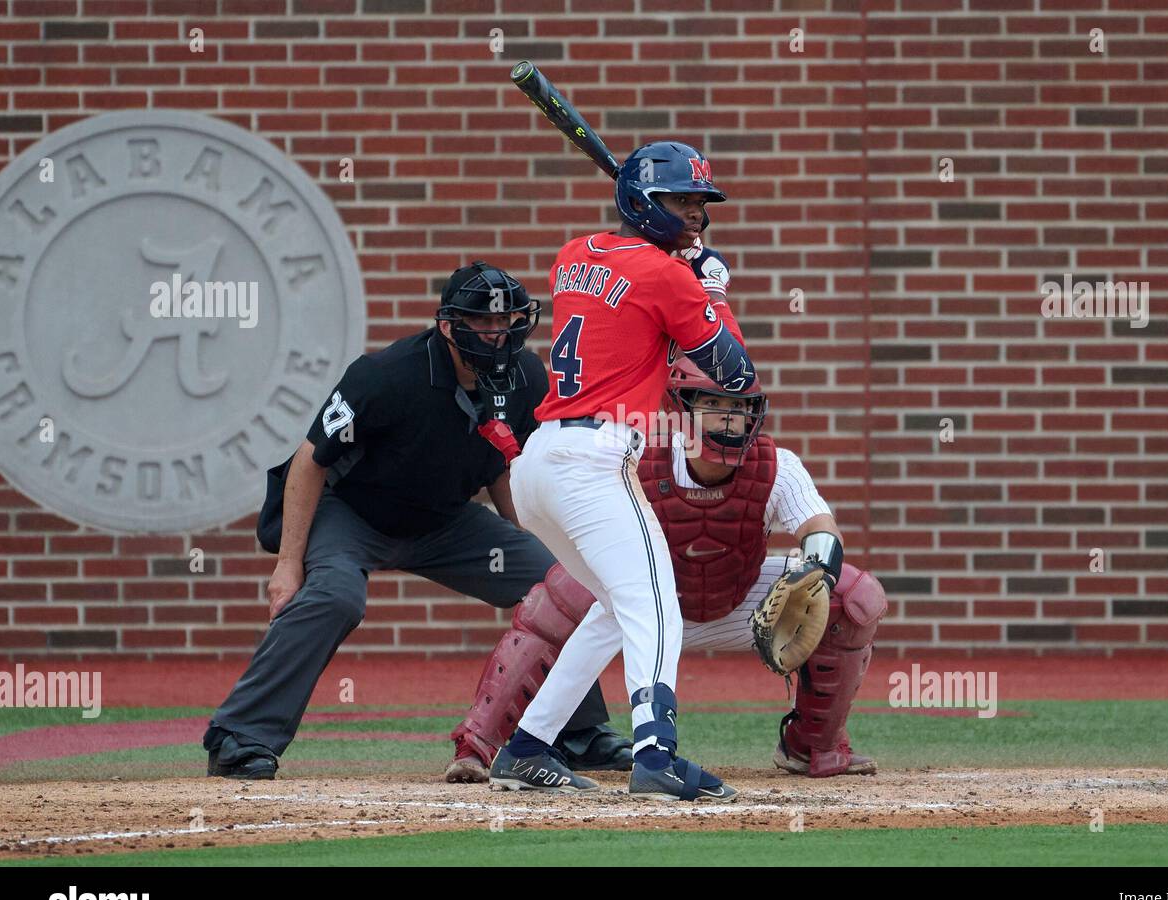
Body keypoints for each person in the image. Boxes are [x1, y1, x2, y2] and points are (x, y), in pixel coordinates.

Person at [203, 262, 632, 780]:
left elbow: (504, 466)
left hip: (445, 522)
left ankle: (573, 730)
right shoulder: (387, 375)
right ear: (449, 326)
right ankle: (240, 735)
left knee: (560, 584)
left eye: (507, 320)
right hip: (354, 514)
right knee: (336, 596)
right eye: (482, 322)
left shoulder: (527, 375)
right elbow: (308, 460)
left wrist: (535, 540)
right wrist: (289, 564)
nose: (498, 333)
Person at [452, 358, 888, 783]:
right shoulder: (635, 457)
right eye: (715, 406)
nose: (730, 421)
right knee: (559, 595)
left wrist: (814, 572)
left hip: (741, 606)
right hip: (643, 607)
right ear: (680, 410)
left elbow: (820, 525)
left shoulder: (777, 466)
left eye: (739, 408)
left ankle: (812, 746)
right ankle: (479, 745)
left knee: (851, 597)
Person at [486, 141, 760, 801]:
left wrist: (682, 270)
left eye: (699, 202)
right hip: (594, 460)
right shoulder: (669, 278)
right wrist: (711, 290)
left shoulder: (573, 252)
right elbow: (735, 374)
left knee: (614, 608)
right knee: (655, 600)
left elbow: (632, 297)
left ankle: (525, 747)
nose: (694, 213)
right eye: (680, 200)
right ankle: (656, 754)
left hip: (540, 466)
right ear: (644, 201)